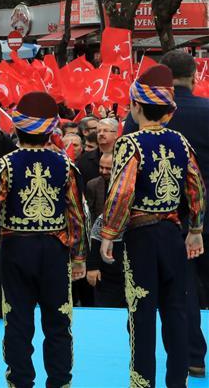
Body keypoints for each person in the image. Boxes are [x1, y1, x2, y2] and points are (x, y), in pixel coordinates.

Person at [99, 64, 205, 387]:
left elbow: (122, 191)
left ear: (135, 106)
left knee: (142, 313)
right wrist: (195, 229)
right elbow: (196, 186)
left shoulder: (129, 144)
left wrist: (108, 233)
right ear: (168, 112)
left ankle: (142, 382)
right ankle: (178, 382)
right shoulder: (181, 142)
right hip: (173, 234)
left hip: (141, 237)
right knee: (176, 311)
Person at [0, 91, 87, 388]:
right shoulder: (65, 165)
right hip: (55, 249)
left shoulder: (5, 165)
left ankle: (21, 382)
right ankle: (60, 382)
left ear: (17, 128)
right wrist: (79, 256)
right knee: (58, 321)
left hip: (17, 250)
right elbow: (77, 214)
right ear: (51, 130)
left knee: (18, 321)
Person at [123, 49, 209, 377]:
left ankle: (164, 362)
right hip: (200, 216)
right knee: (181, 292)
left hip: (158, 219)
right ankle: (189, 362)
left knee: (165, 292)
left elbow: (126, 174)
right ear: (195, 75)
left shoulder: (139, 116)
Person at [84, 153, 125, 307]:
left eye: (108, 168)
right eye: (101, 167)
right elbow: (91, 226)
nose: (103, 171)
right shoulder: (93, 185)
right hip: (102, 248)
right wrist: (92, 265)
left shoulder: (128, 186)